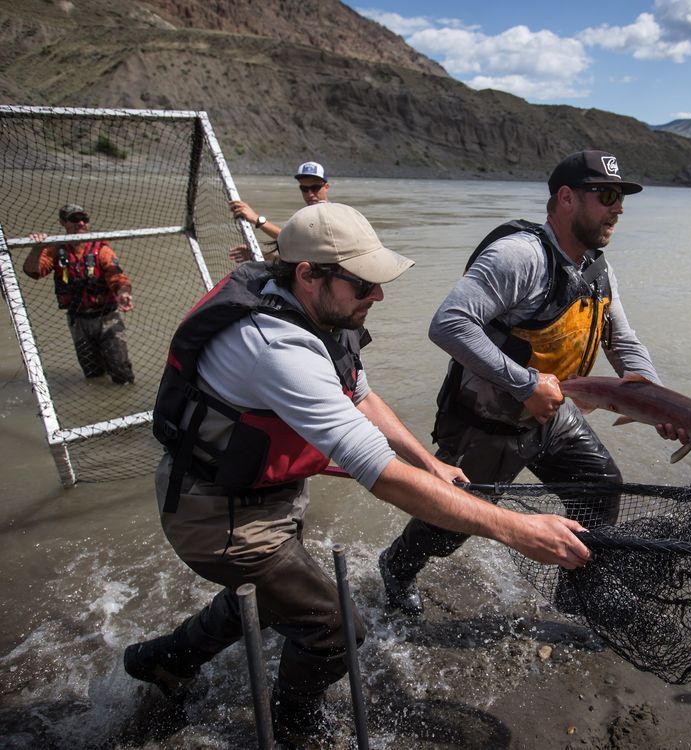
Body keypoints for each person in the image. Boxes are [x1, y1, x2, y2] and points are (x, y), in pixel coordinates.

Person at [123, 202, 590, 744]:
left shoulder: (321, 312)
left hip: (261, 492)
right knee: (337, 630)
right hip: (218, 515)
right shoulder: (276, 346)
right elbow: (379, 474)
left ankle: (164, 661)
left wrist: (431, 462)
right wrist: (517, 530)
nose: (379, 295)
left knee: (272, 599)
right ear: (308, 273)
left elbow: (361, 396)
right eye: (364, 284)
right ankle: (295, 724)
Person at [378, 150, 689, 617]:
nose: (618, 208)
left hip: (553, 416)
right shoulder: (520, 256)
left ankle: (576, 593)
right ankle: (397, 566)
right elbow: (448, 324)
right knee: (451, 525)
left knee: (600, 489)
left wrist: (661, 401)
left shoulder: (596, 268)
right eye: (606, 195)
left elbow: (622, 341)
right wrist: (525, 384)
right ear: (566, 198)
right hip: (489, 425)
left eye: (621, 198)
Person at [23, 204, 135, 384]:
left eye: (84, 219)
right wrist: (37, 248)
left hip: (107, 317)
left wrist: (124, 294)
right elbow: (33, 272)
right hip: (78, 321)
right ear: (63, 223)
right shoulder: (56, 249)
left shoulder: (101, 249)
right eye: (74, 219)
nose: (81, 223)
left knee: (121, 370)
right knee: (92, 373)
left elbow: (118, 277)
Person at [228, 161, 330, 262]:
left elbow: (291, 239)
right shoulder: (304, 216)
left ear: (326, 187)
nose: (310, 194)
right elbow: (296, 260)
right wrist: (256, 253)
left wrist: (256, 219)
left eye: (315, 188)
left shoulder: (330, 215)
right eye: (304, 189)